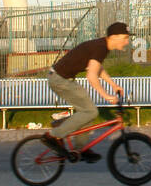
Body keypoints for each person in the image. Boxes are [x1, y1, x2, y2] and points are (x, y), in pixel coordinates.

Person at [41, 22, 133, 162]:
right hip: (59, 79)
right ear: (114, 37)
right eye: (125, 38)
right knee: (90, 111)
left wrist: (113, 85)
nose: (127, 42)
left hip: (62, 79)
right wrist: (106, 96)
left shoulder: (103, 46)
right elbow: (91, 76)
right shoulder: (101, 47)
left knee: (87, 111)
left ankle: (79, 149)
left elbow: (97, 68)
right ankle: (53, 135)